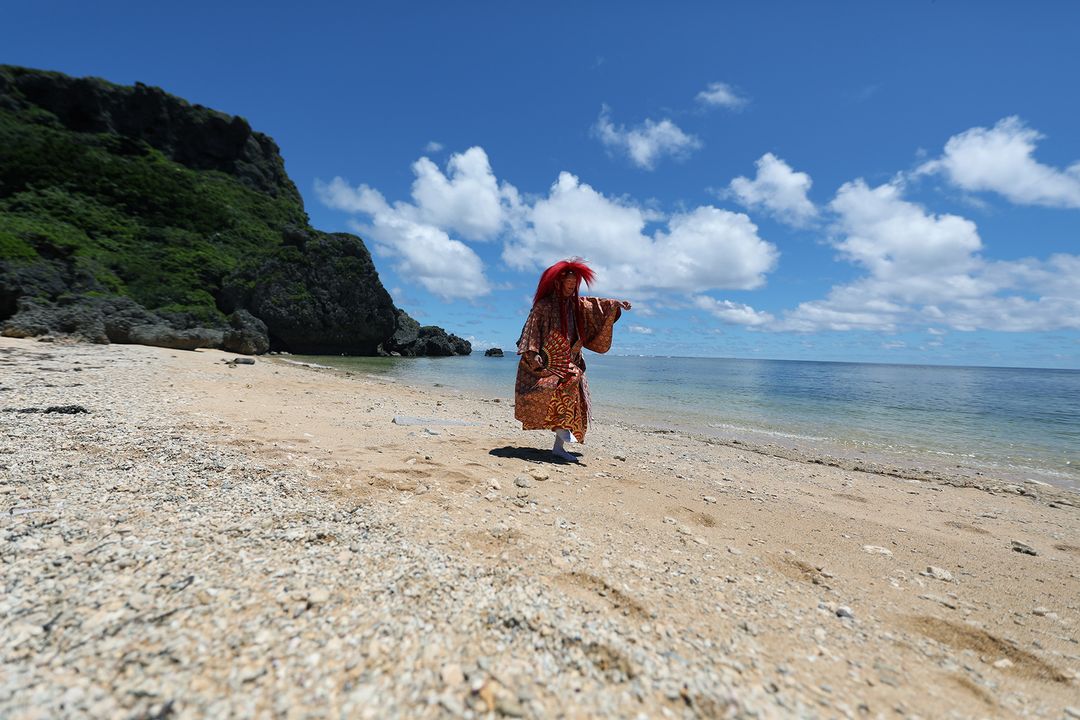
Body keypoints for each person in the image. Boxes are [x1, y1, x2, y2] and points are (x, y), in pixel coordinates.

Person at [515, 258, 631, 461]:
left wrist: (615, 305)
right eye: (567, 285)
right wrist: (534, 354)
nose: (570, 290)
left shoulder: (576, 305)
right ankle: (561, 437)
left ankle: (559, 443)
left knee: (574, 390)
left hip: (571, 359)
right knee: (569, 382)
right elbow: (531, 332)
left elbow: (597, 305)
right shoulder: (543, 306)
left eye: (573, 286)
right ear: (557, 284)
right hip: (546, 362)